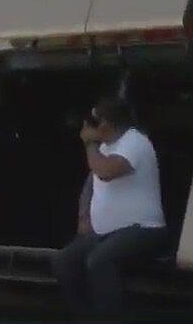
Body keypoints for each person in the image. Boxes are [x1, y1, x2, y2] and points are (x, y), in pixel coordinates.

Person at [53, 96, 169, 321]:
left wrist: (89, 144)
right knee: (64, 261)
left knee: (99, 260)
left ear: (105, 124)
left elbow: (106, 171)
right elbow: (91, 184)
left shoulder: (135, 141)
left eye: (94, 123)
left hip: (143, 229)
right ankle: (84, 315)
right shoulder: (105, 147)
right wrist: (84, 217)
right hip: (105, 231)